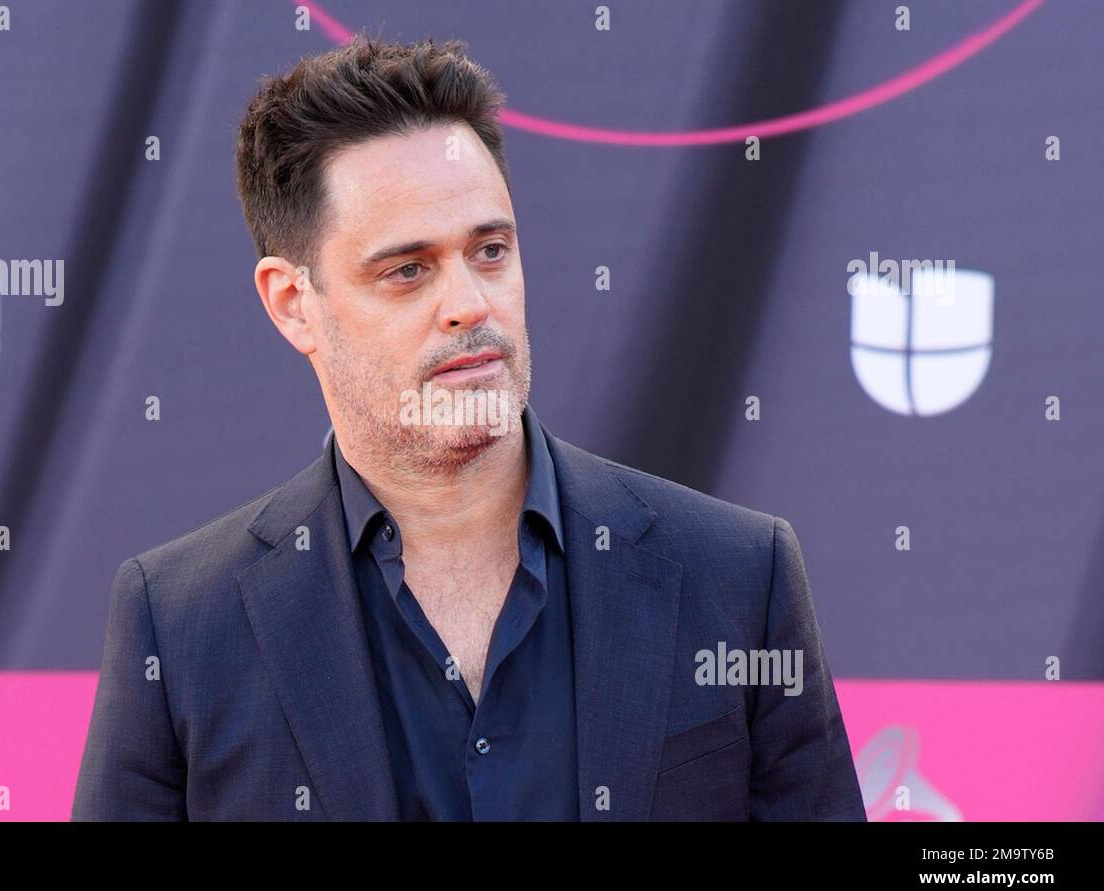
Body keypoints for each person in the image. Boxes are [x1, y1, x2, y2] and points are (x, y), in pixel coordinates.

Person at [71, 33, 866, 822]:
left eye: (489, 250)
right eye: (407, 270)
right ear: (292, 303)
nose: (470, 304)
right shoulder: (180, 627)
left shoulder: (735, 576)